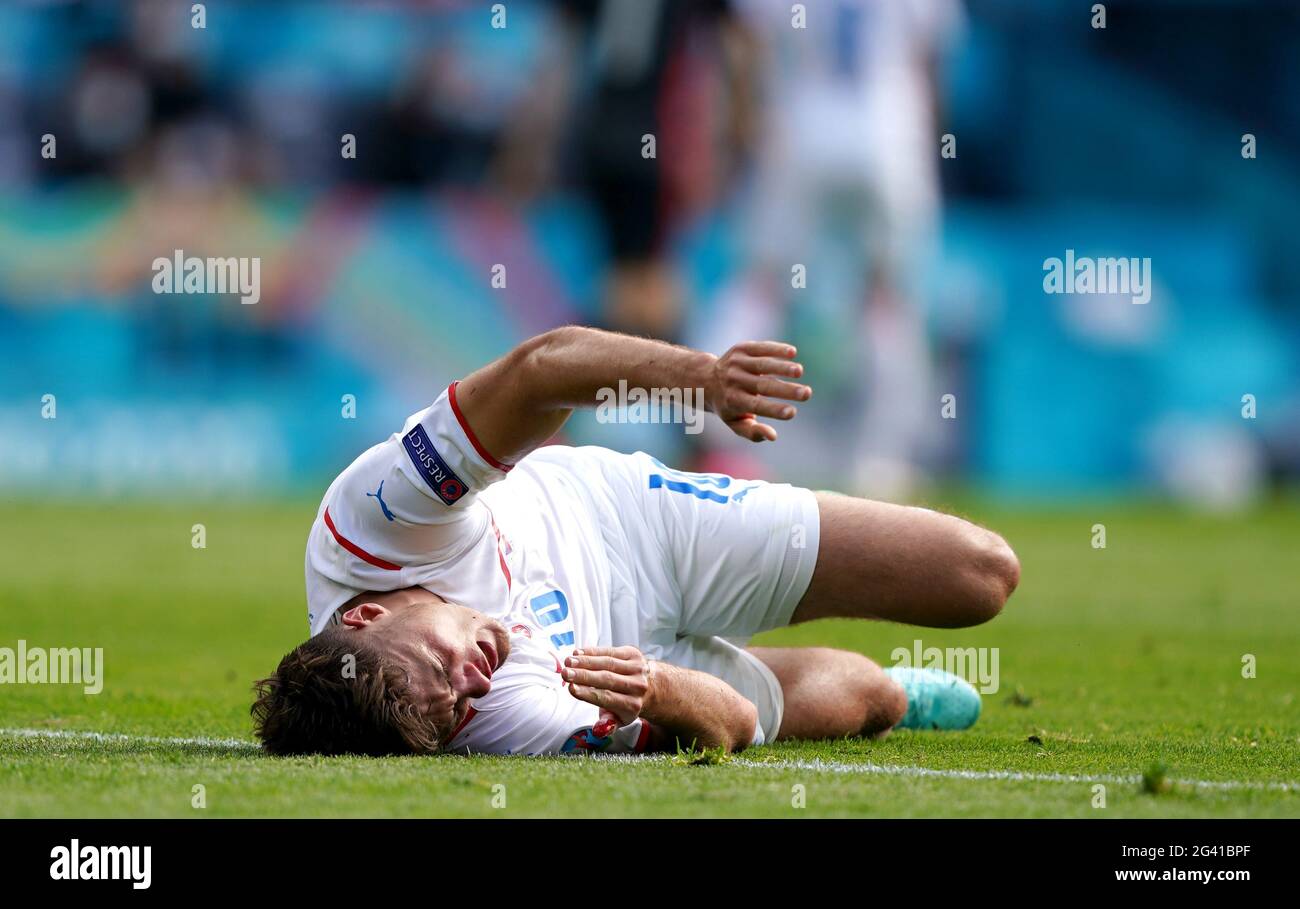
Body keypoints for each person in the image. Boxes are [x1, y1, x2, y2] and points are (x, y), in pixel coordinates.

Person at [252, 326, 1018, 756]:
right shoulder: (496, 723)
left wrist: (703, 379)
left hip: (629, 521)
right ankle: (877, 684)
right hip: (626, 662)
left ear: (363, 617)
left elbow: (540, 372)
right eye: (457, 709)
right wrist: (657, 687)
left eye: (440, 669)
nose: (475, 683)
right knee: (874, 698)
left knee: (978, 577)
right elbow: (735, 726)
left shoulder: (374, 521)